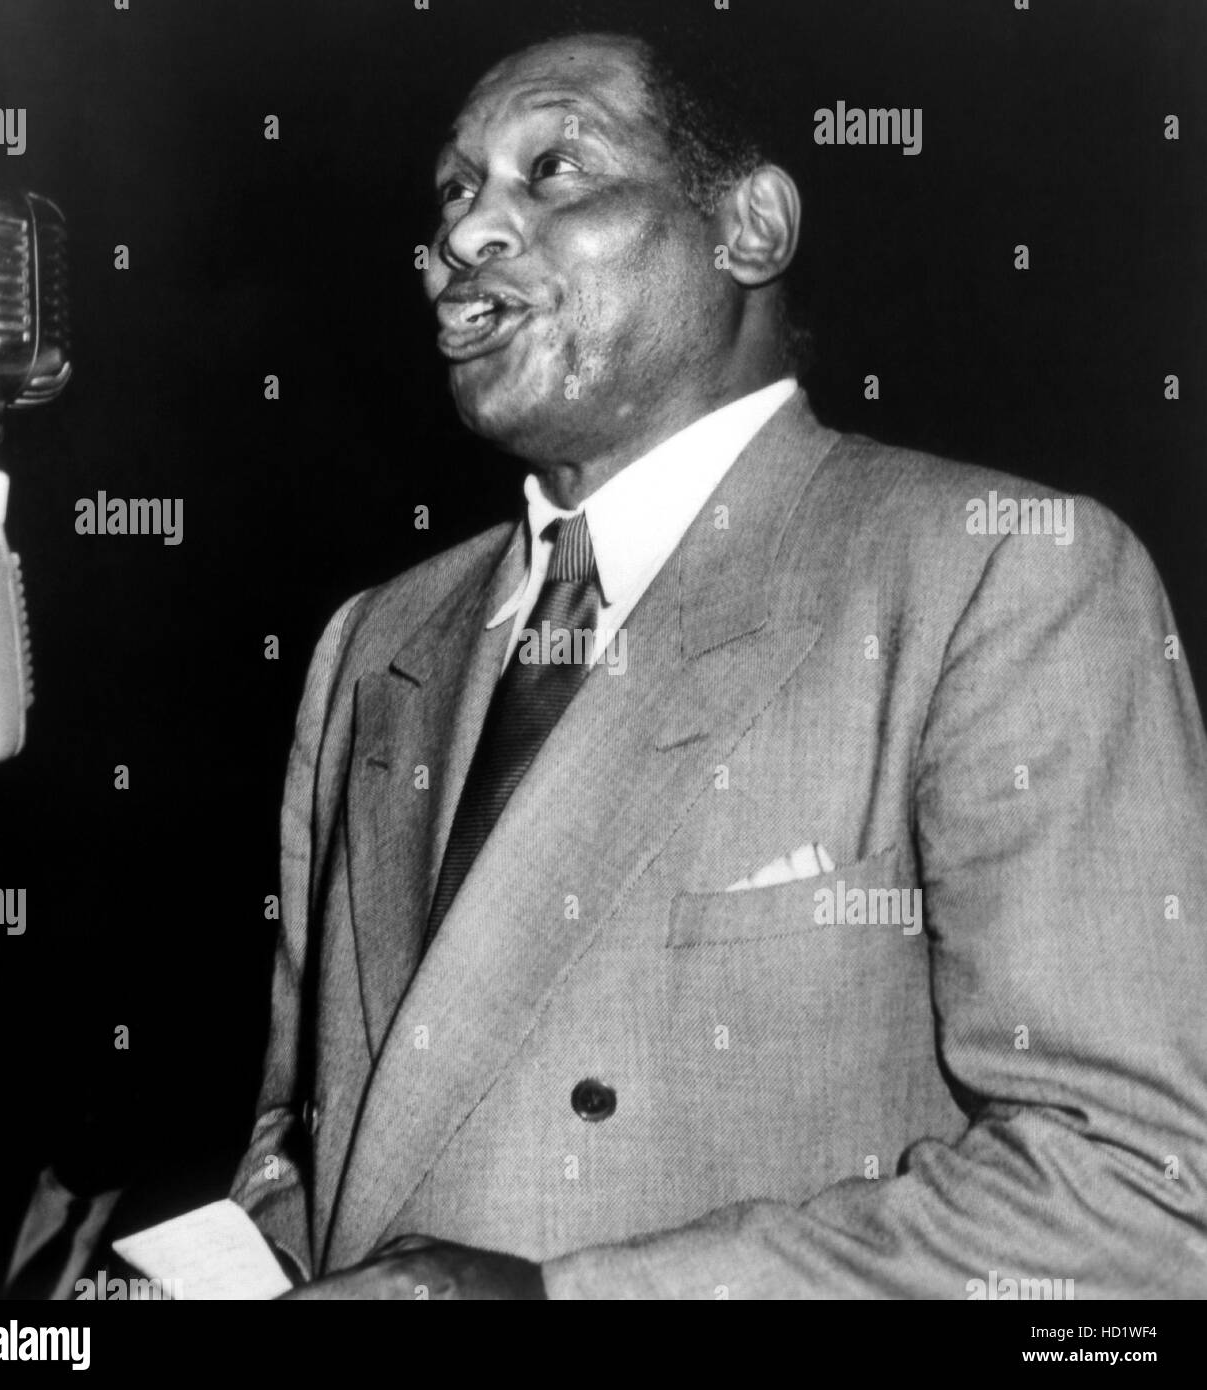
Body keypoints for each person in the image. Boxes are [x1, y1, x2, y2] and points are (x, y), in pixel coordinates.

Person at [230, 29, 1207, 1299]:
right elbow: (305, 1140)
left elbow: (1134, 1203)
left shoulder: (997, 572)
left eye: (555, 169)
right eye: (456, 193)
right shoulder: (375, 643)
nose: (466, 235)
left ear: (747, 228)